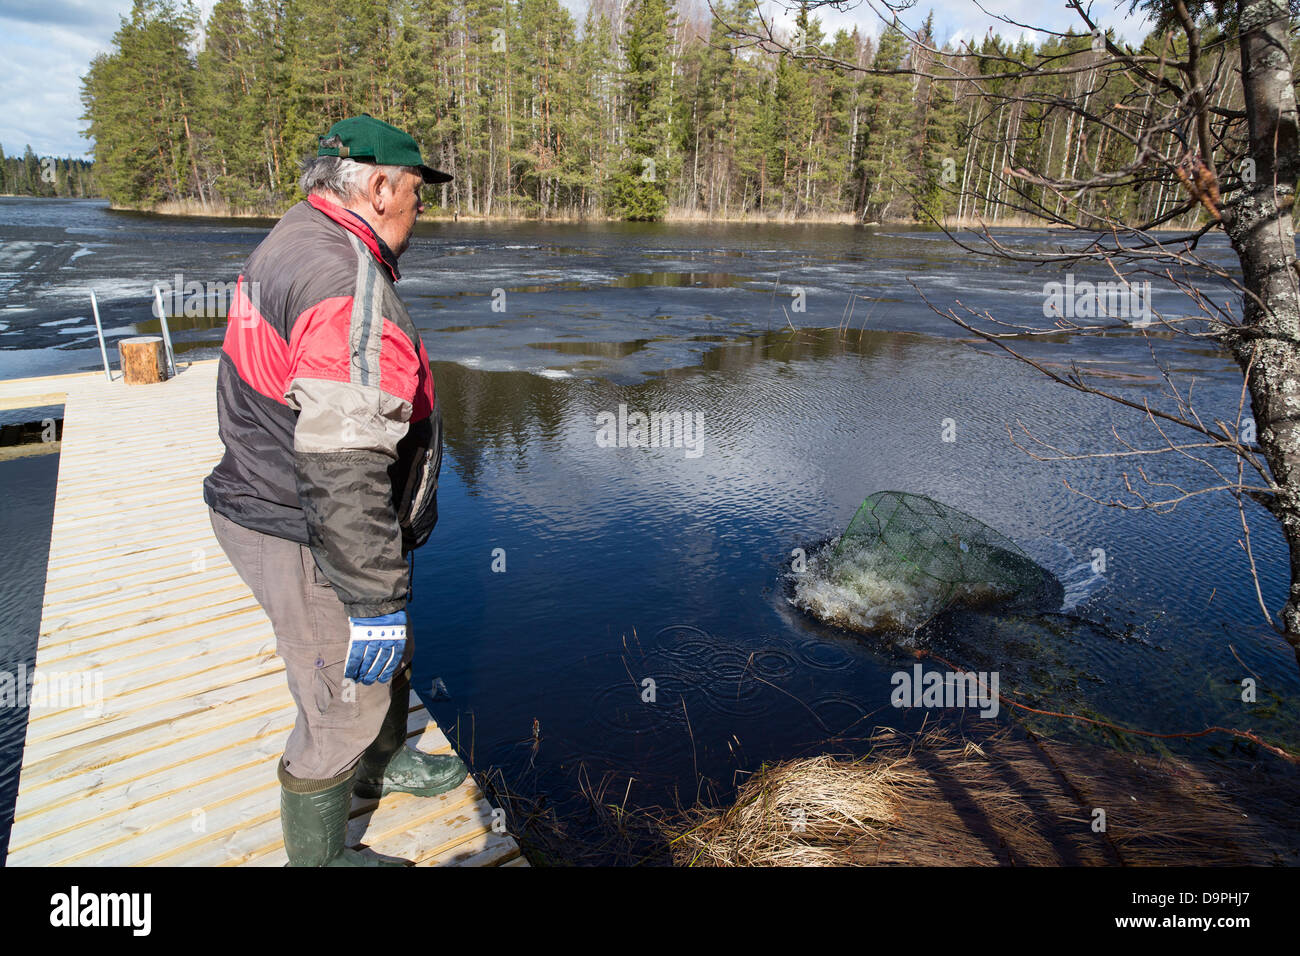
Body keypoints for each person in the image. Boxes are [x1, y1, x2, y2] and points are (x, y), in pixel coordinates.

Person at [203, 114, 463, 866]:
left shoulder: (299, 231)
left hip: (284, 499)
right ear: (379, 187)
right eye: (417, 190)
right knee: (339, 699)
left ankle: (385, 763)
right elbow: (342, 467)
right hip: (302, 523)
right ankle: (323, 857)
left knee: (382, 659)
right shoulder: (344, 283)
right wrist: (374, 600)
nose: (420, 206)